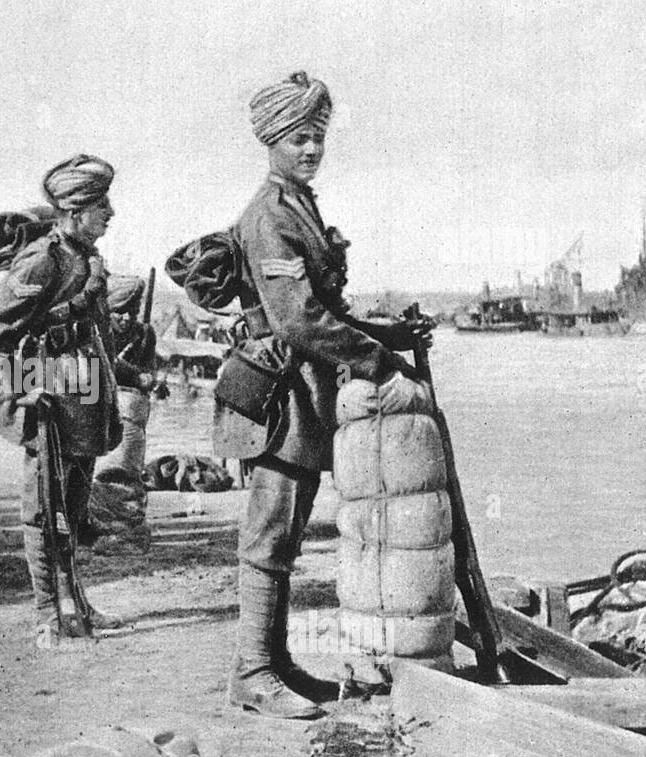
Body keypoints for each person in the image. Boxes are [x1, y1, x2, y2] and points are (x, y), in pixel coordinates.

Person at [199, 71, 430, 718]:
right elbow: (296, 317)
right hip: (279, 400)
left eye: (317, 138)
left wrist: (388, 333)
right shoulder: (269, 216)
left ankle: (274, 664)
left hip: (302, 394)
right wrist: (372, 356)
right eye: (299, 138)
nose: (310, 149)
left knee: (287, 536)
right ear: (272, 140)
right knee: (267, 538)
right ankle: (251, 673)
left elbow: (324, 305)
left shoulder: (299, 205)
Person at [0, 154, 126, 649]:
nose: (110, 214)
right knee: (44, 507)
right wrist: (21, 390)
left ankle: (76, 603)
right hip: (51, 392)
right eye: (102, 205)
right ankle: (48, 612)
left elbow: (99, 334)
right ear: (76, 209)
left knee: (72, 505)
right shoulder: (46, 258)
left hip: (83, 392)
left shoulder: (86, 258)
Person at [88, 273, 157, 555]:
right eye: (119, 312)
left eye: (132, 312)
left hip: (132, 410)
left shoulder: (145, 334)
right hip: (100, 408)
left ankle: (125, 532)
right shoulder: (95, 333)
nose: (126, 319)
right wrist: (133, 374)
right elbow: (98, 366)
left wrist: (148, 379)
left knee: (127, 469)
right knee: (100, 473)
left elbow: (150, 373)